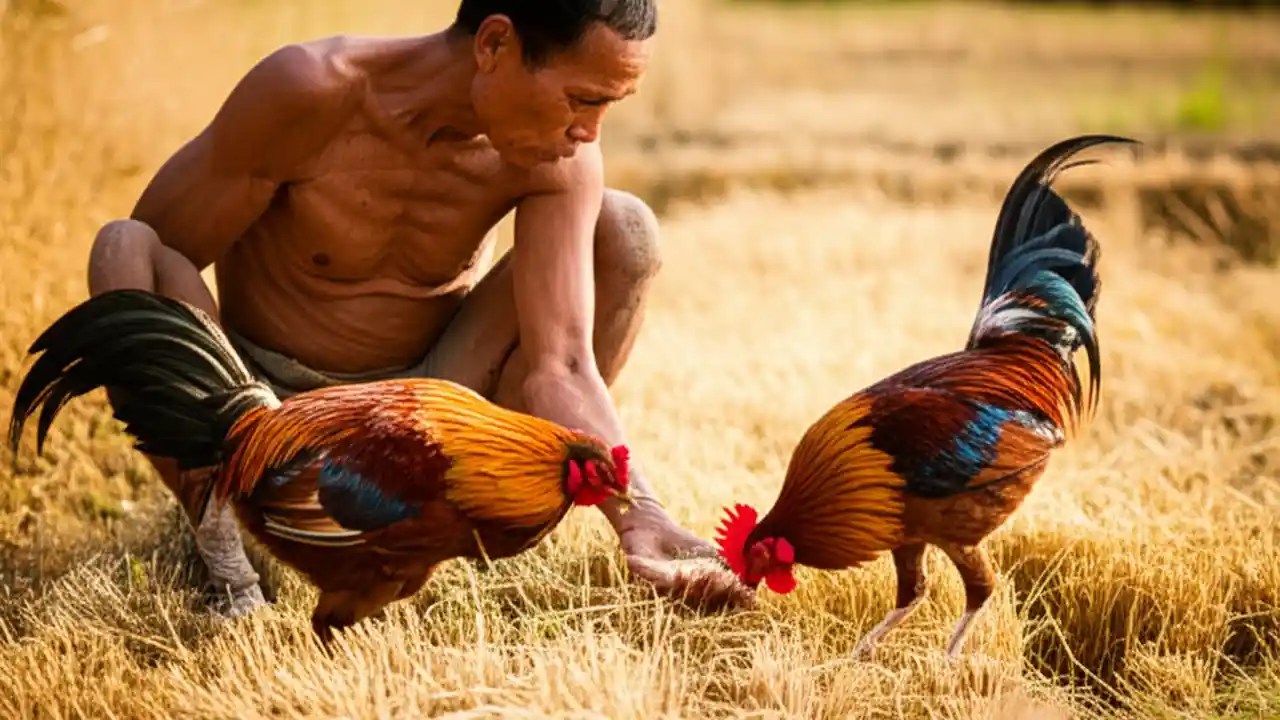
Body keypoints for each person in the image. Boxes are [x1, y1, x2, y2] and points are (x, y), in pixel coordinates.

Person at [86, 0, 756, 617]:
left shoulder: (560, 158)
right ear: (495, 44)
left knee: (626, 230)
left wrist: (640, 511)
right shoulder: (310, 92)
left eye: (611, 106)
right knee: (123, 248)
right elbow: (150, 286)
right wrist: (214, 432)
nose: (590, 132)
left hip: (427, 416)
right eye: (582, 99)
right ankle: (229, 558)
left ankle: (451, 525)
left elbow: (563, 363)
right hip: (264, 409)